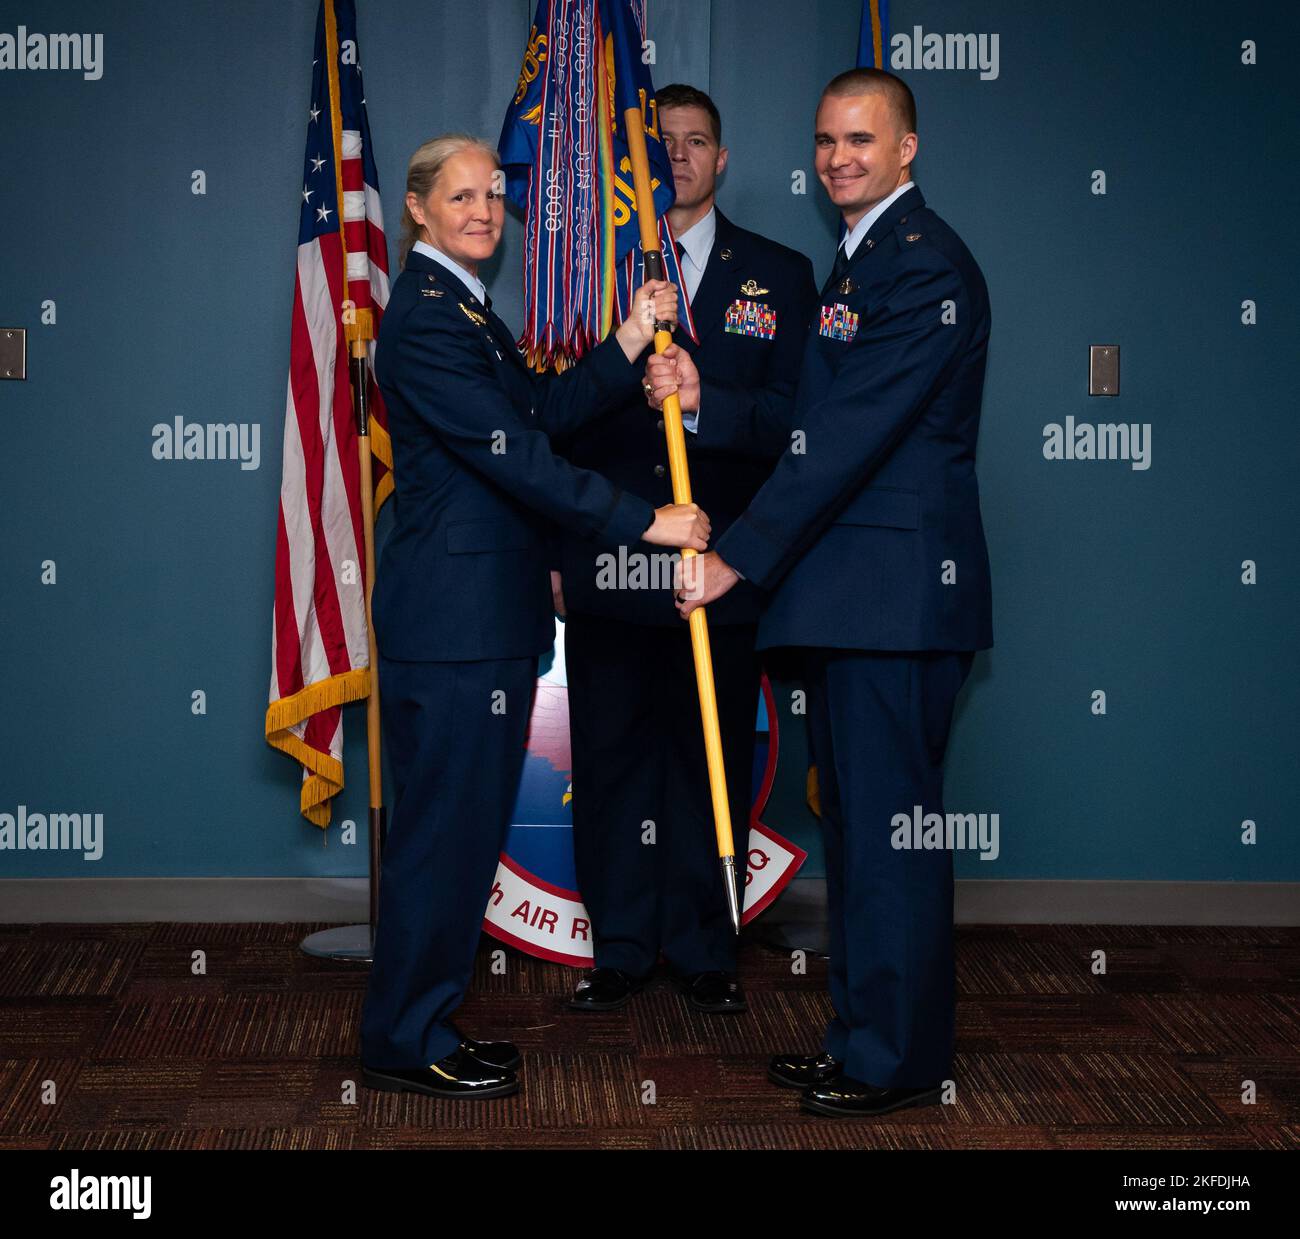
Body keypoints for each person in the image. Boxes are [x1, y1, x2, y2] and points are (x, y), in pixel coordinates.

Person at [659, 67, 993, 1117]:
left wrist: (736, 556)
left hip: (895, 604)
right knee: (858, 839)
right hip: (852, 604)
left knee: (890, 843)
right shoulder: (855, 269)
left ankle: (895, 1061)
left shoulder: (924, 266)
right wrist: (706, 397)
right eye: (824, 141)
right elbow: (803, 419)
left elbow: (844, 443)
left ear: (906, 148)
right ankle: (861, 1038)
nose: (838, 158)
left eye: (861, 139)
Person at [359, 134, 709, 1101]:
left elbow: (546, 412)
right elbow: (518, 456)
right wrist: (648, 519)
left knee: (463, 834)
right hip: (455, 621)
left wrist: (632, 338)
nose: (483, 210)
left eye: (495, 194)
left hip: (489, 617)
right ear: (420, 211)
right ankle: (401, 1037)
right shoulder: (428, 319)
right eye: (461, 196)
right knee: (442, 835)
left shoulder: (469, 311)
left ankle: (424, 1019)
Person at [554, 85, 816, 1015]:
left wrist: (702, 400)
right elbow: (561, 426)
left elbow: (798, 425)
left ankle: (709, 947)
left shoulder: (780, 275)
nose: (677, 157)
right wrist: (563, 546)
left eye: (696, 141)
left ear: (724, 156)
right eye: (660, 142)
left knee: (711, 760)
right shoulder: (587, 272)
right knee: (616, 758)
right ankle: (619, 946)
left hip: (723, 562)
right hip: (616, 565)